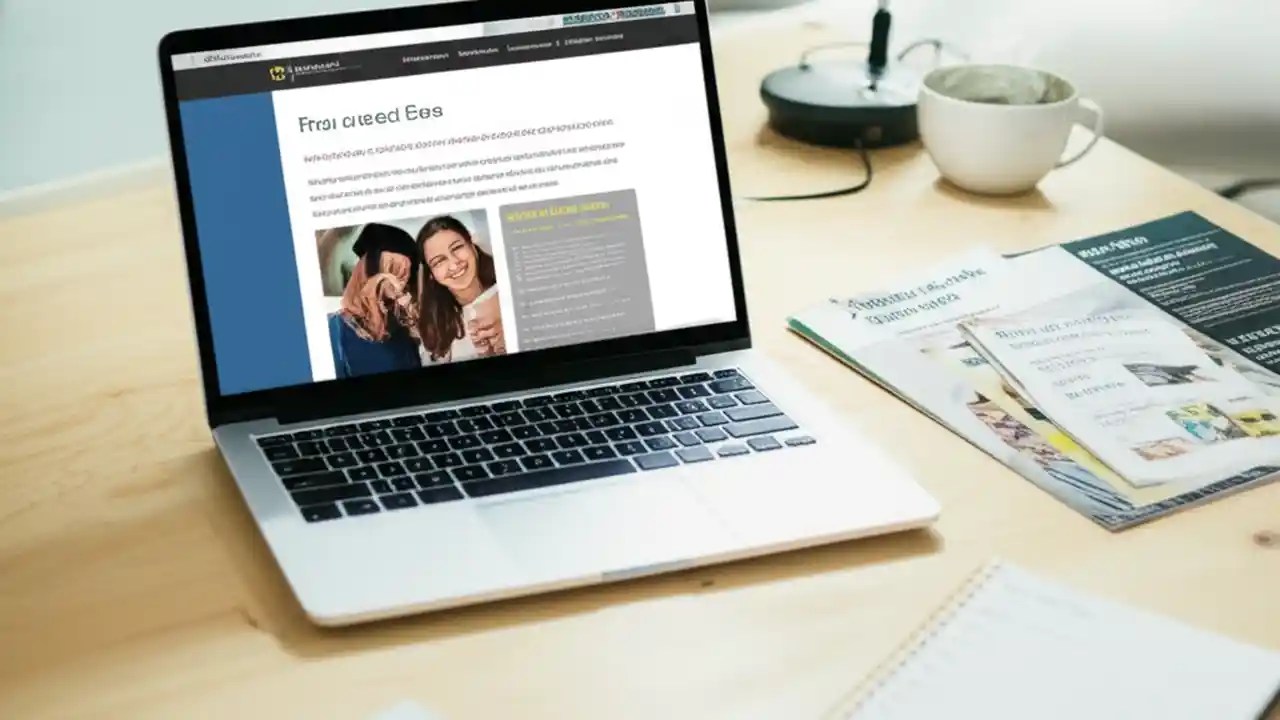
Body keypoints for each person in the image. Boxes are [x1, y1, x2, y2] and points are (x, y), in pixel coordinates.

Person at [328, 223, 422, 379]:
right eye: (390, 269)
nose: (397, 286)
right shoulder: (333, 330)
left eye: (403, 276)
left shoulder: (406, 330)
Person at [416, 216, 506, 363]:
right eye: (439, 261)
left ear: (472, 247)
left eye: (457, 248)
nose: (454, 264)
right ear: (431, 275)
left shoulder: (510, 292)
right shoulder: (436, 327)